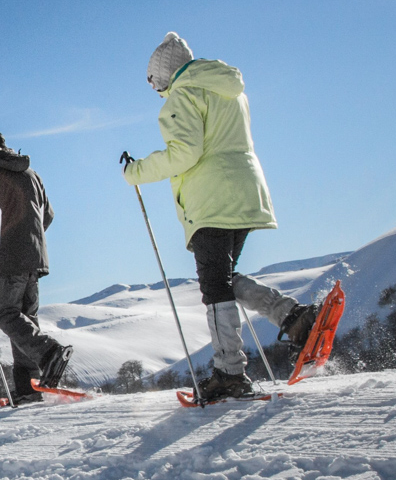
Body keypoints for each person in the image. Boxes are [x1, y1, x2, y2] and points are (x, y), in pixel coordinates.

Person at [121, 32, 319, 401]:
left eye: (152, 80)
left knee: (214, 286)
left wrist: (137, 172)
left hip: (211, 198)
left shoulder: (183, 94)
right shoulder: (229, 88)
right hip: (246, 191)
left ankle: (229, 372)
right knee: (223, 278)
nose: (153, 87)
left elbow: (184, 153)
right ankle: (293, 317)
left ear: (164, 73)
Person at [0, 129, 74, 403]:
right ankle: (28, 388)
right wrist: (30, 239)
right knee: (25, 320)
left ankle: (49, 353)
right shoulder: (32, 174)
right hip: (35, 257)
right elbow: (48, 215)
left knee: (5, 314)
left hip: (4, 258)